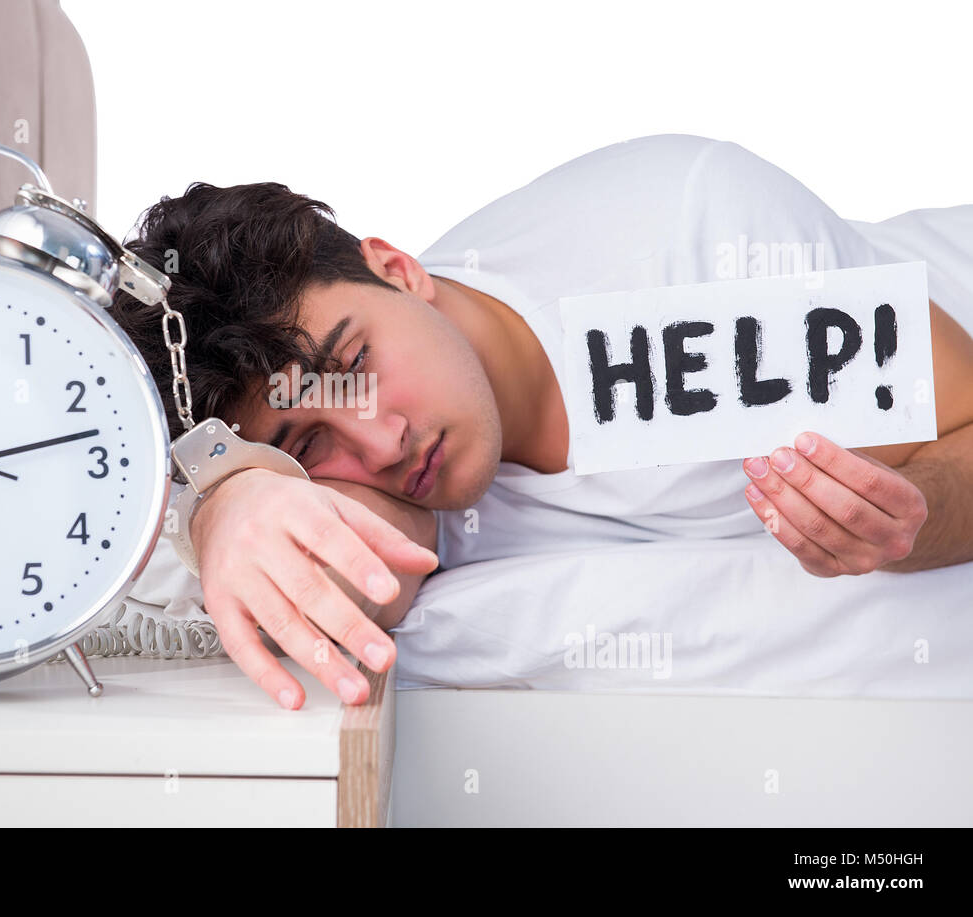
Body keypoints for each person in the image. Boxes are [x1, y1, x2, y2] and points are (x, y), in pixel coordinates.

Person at [112, 134, 973, 711]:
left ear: (397, 269)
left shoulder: (696, 247)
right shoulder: (384, 472)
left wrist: (914, 517)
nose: (380, 443)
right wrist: (227, 502)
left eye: (354, 369)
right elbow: (348, 572)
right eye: (309, 443)